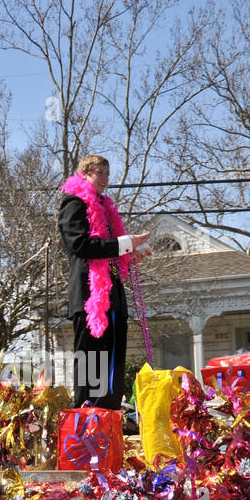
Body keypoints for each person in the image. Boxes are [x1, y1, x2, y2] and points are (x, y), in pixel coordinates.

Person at [58, 154, 150, 410]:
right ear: (84, 174)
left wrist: (130, 253)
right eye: (99, 172)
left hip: (112, 296)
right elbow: (82, 245)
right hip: (90, 299)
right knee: (92, 363)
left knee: (113, 366)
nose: (104, 179)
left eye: (107, 174)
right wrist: (124, 243)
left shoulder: (106, 209)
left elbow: (110, 250)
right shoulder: (73, 204)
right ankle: (86, 423)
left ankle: (109, 417)